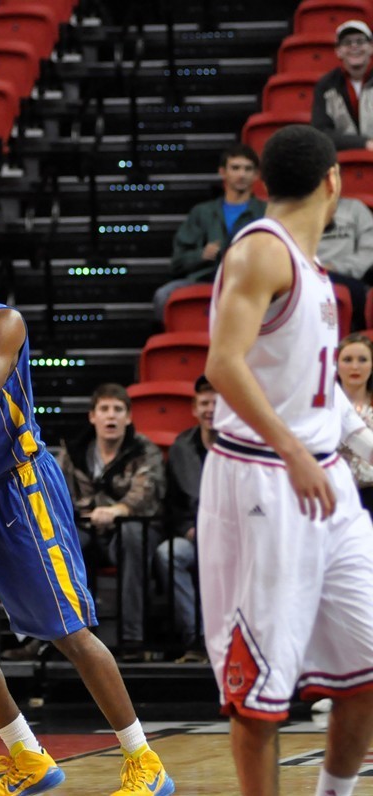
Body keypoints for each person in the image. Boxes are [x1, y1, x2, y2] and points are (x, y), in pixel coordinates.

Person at [0, 233, 175, 796]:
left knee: (67, 630)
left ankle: (143, 759)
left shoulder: (0, 322)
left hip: (14, 488)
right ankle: (25, 752)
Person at [200, 123, 373, 796]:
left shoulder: (314, 270)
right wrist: (295, 449)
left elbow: (316, 385)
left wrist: (357, 443)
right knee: (260, 695)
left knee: (364, 666)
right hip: (264, 481)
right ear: (334, 181)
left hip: (325, 477)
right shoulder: (261, 253)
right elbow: (221, 363)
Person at [57, 383, 167, 660]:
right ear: (92, 416)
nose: (111, 416)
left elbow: (147, 493)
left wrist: (118, 510)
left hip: (131, 529)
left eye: (118, 410)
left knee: (132, 535)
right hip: (85, 527)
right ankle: (74, 637)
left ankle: (132, 638)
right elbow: (58, 494)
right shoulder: (74, 451)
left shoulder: (144, 450)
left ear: (128, 418)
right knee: (68, 543)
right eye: (104, 409)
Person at [152, 145, 266, 321]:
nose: (241, 174)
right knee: (163, 296)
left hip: (249, 281)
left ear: (256, 175)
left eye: (248, 169)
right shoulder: (202, 212)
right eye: (235, 168)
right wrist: (201, 255)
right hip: (204, 279)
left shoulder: (265, 212)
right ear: (223, 172)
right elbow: (177, 263)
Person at [159, 375, 216, 662]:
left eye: (217, 403)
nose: (210, 409)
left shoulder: (240, 445)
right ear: (194, 408)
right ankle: (197, 639)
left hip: (235, 538)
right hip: (195, 537)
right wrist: (187, 529)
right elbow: (172, 502)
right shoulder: (182, 447)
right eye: (205, 403)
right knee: (168, 554)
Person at [312, 20, 373, 152]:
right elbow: (321, 132)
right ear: (338, 51)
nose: (354, 46)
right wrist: (364, 143)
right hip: (341, 162)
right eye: (347, 42)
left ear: (371, 47)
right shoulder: (326, 85)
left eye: (360, 41)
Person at [317, 196, 373, 330]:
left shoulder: (355, 208)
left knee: (360, 292)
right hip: (312, 273)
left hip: (349, 275)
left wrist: (337, 267)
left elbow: (369, 250)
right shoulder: (300, 211)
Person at [337, 333, 373, 514]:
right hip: (334, 493)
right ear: (335, 365)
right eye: (347, 359)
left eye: (363, 359)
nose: (355, 366)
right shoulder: (322, 408)